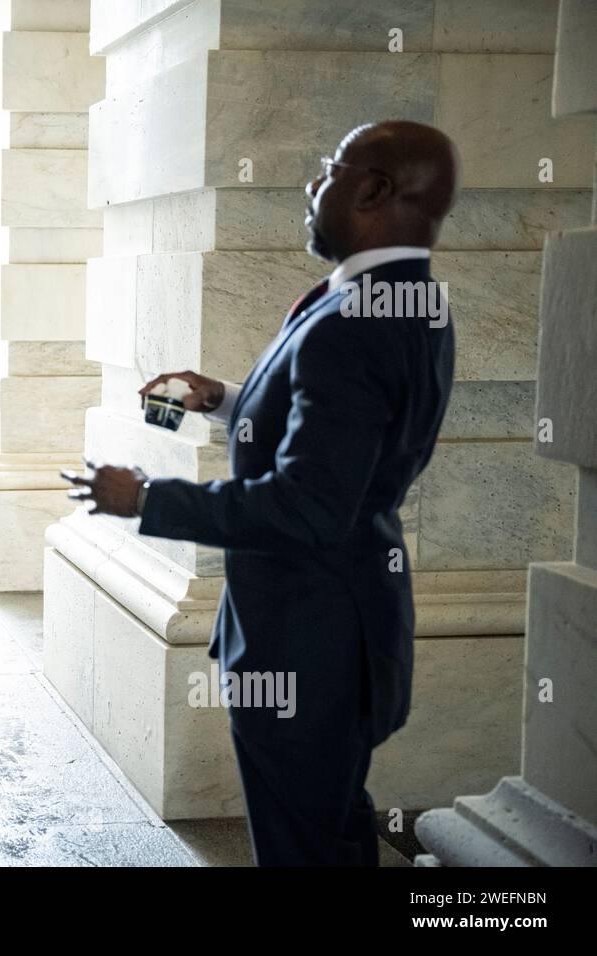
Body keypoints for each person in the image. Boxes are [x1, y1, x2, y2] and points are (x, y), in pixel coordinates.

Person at [66, 121, 459, 866]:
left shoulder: (352, 321)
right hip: (341, 631)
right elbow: (341, 434)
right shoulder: (407, 300)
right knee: (333, 830)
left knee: (303, 849)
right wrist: (222, 399)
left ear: (373, 190)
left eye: (328, 167)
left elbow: (306, 505)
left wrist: (147, 498)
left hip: (309, 643)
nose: (313, 186)